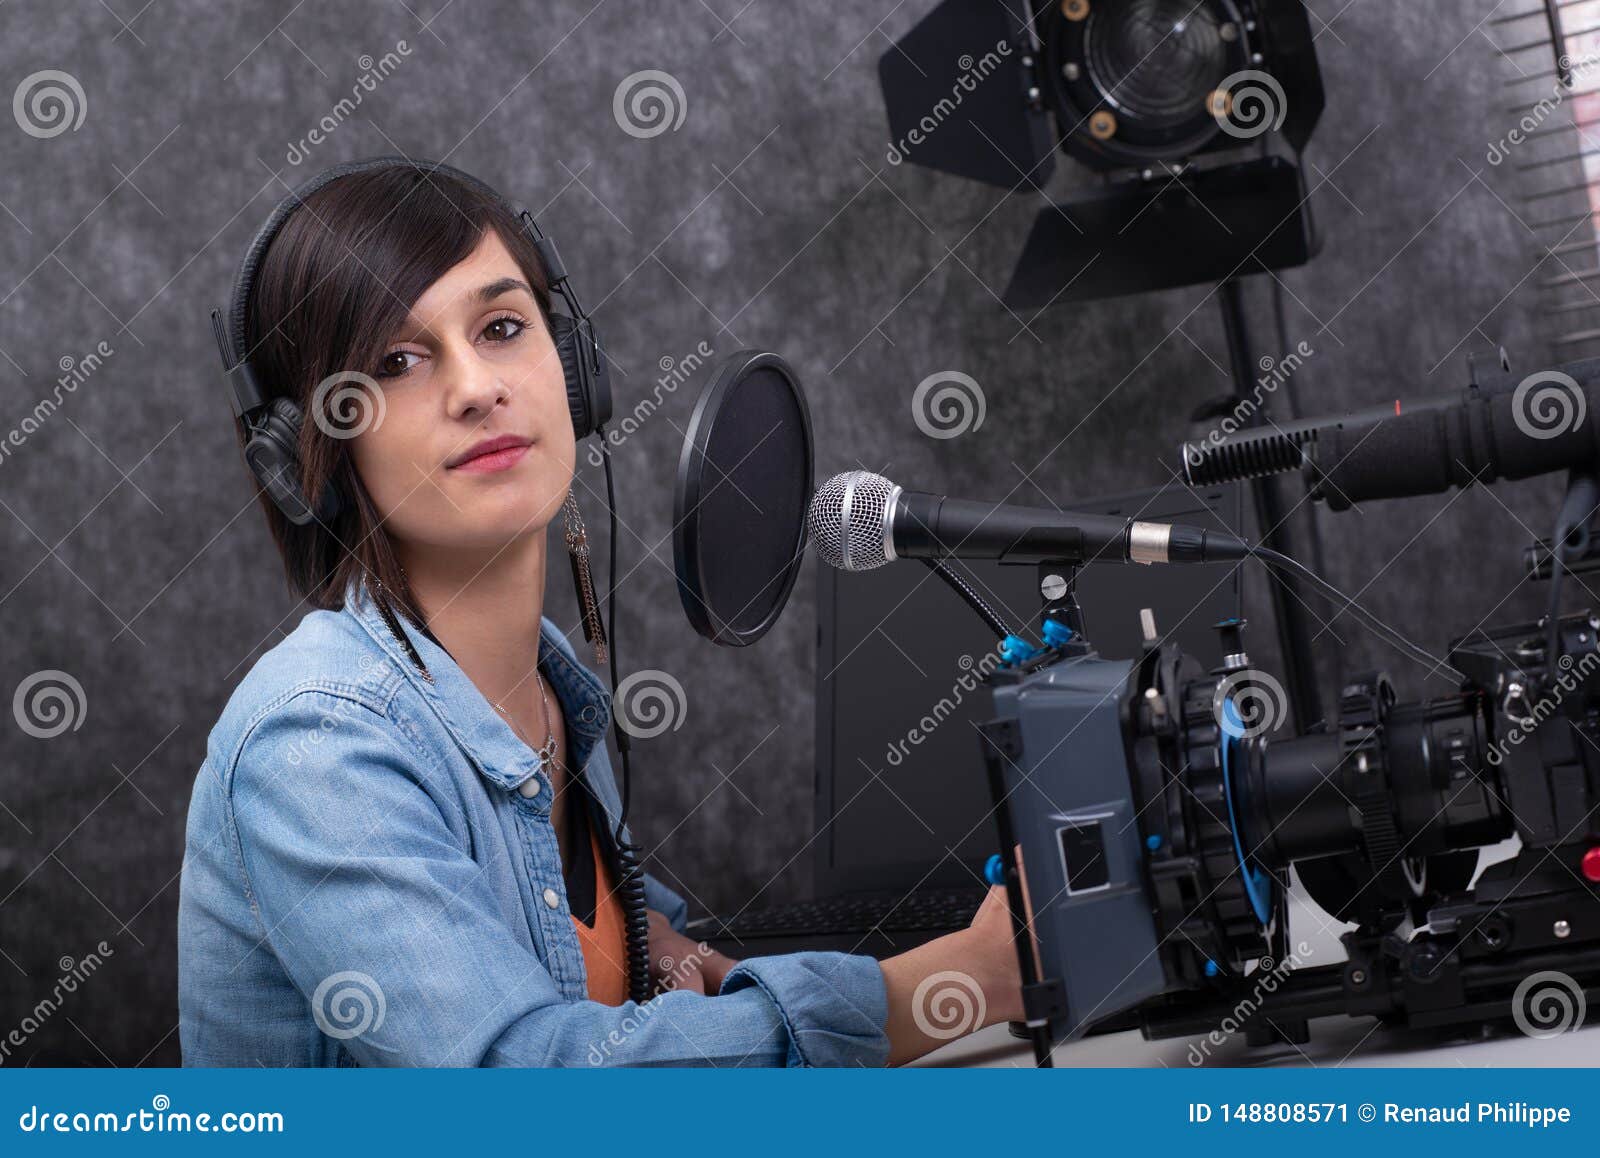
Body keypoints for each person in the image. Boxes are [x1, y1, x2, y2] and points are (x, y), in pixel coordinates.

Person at [178, 158, 1022, 1066]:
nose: (476, 387)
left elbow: (612, 958)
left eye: (502, 327)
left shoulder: (546, 685)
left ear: (576, 373)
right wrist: (960, 984)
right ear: (306, 457)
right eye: (396, 362)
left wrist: (682, 965)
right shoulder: (316, 743)